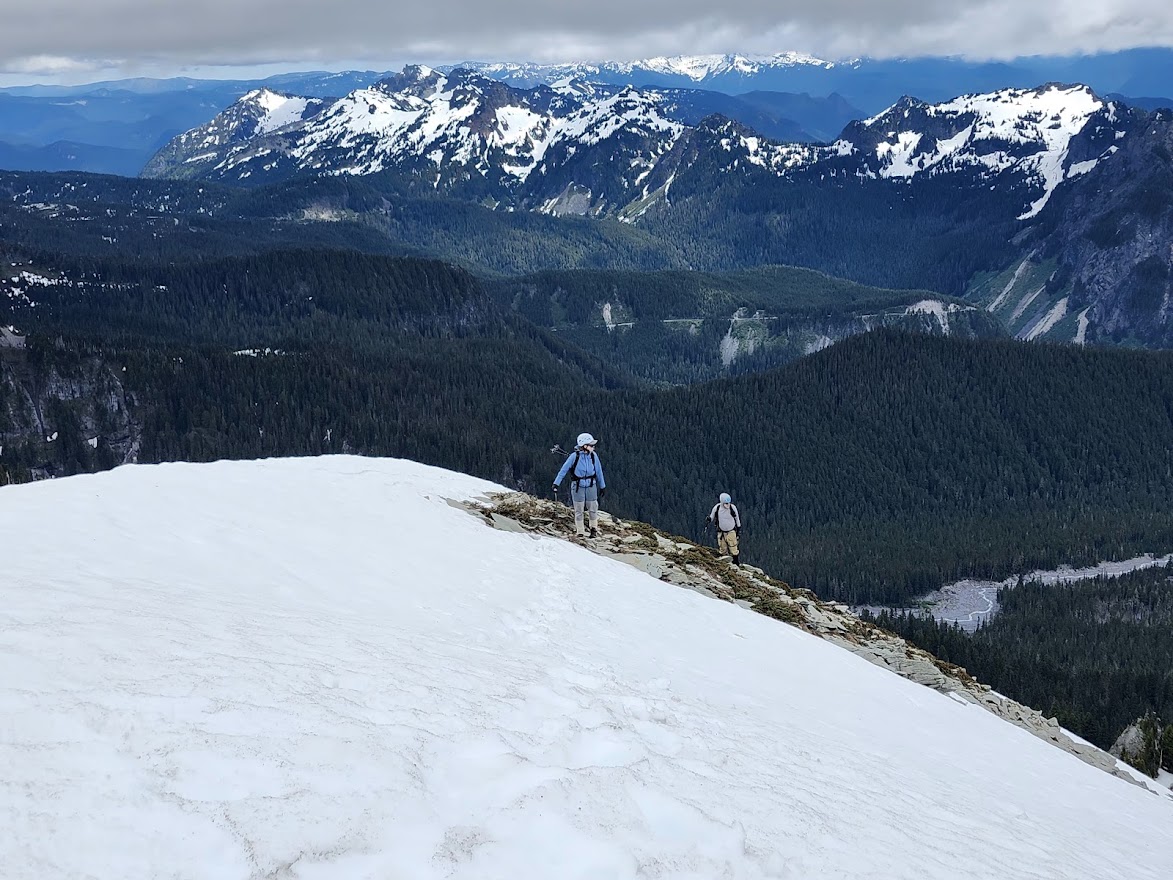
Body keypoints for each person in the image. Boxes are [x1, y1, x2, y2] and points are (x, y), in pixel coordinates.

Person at [553, 432, 606, 538]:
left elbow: (599, 471)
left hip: (591, 485)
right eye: (591, 445)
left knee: (593, 508)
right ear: (584, 446)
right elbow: (563, 470)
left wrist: (602, 486)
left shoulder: (593, 456)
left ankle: (593, 529)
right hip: (578, 486)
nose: (593, 447)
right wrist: (556, 483)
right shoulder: (574, 457)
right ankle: (580, 532)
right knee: (579, 510)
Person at [708, 492, 742, 566]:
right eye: (726, 503)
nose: (728, 505)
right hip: (721, 532)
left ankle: (736, 562)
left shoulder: (732, 508)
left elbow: (737, 518)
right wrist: (709, 519)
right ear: (722, 502)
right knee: (722, 548)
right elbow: (712, 516)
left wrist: (738, 529)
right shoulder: (717, 508)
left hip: (731, 531)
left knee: (733, 546)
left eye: (728, 503)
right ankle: (724, 562)